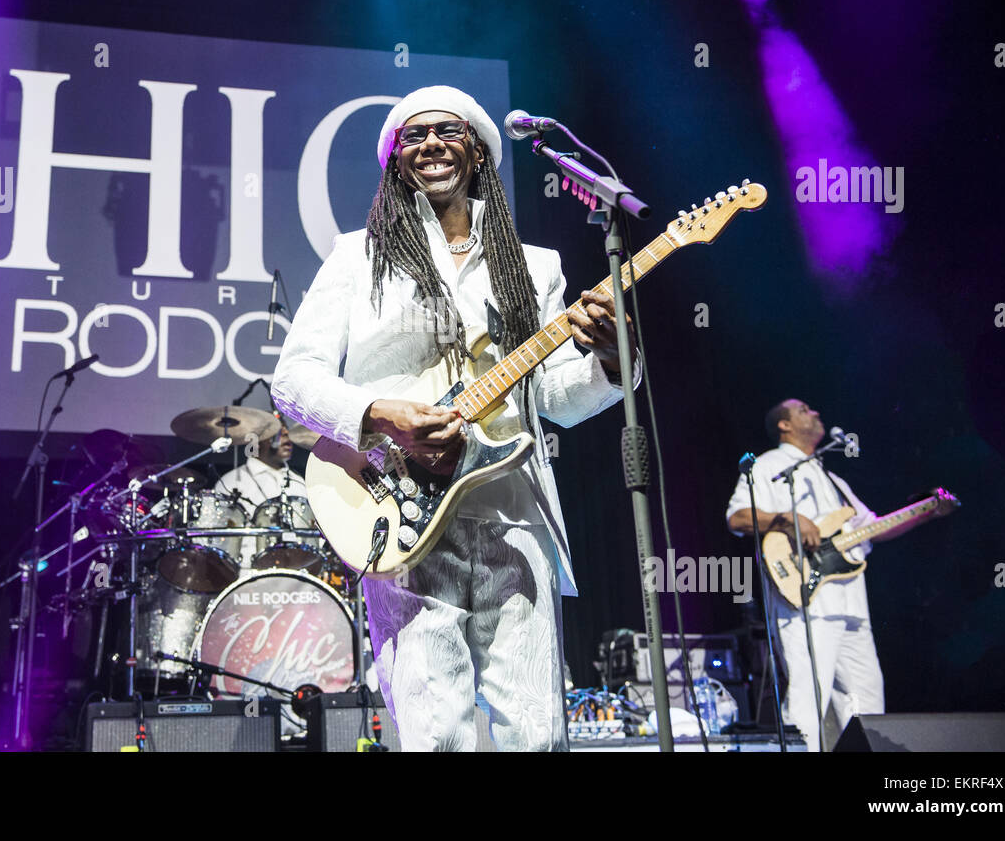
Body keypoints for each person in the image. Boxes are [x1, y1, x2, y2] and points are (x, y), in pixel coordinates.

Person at [272, 85, 637, 751]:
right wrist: (382, 414)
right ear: (394, 160)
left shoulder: (534, 267)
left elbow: (549, 399)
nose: (432, 142)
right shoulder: (357, 257)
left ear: (477, 151)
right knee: (433, 733)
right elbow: (293, 381)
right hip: (399, 514)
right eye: (414, 135)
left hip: (513, 512)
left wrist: (612, 362)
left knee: (537, 731)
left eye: (449, 130)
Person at [725, 398, 884, 751]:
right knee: (807, 701)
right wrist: (788, 518)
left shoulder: (833, 478)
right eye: (803, 410)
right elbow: (737, 518)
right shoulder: (770, 465)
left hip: (853, 605)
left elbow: (873, 527)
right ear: (784, 425)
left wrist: (925, 510)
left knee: (866, 701)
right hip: (805, 601)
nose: (815, 412)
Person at [214, 419, 307, 572]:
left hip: (296, 574)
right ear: (258, 440)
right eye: (279, 435)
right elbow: (218, 540)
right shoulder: (232, 482)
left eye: (287, 434)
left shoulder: (299, 482)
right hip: (246, 574)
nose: (288, 439)